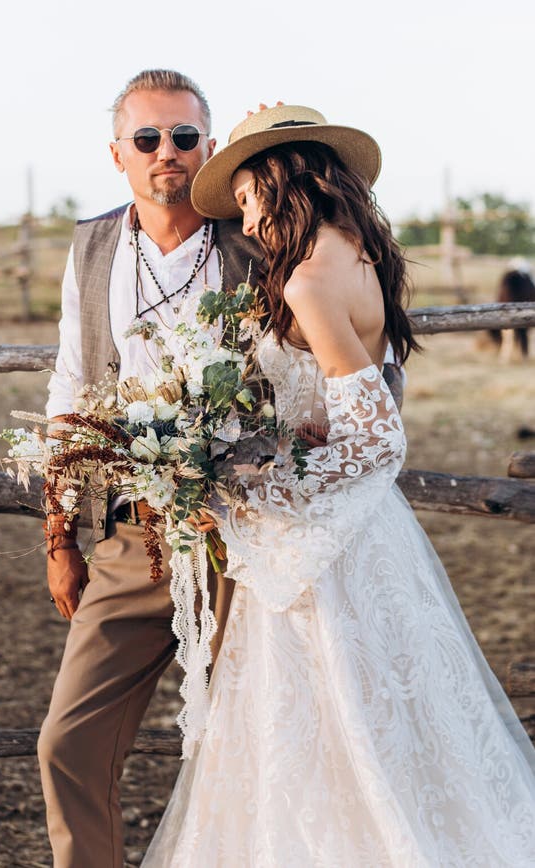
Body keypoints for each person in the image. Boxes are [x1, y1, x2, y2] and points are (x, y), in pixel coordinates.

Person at [141, 105, 535, 866]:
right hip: (360, 528)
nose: (247, 223)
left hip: (324, 547)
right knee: (375, 723)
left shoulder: (309, 283)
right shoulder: (353, 252)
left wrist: (260, 485)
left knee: (330, 722)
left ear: (276, 181)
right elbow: (350, 400)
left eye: (248, 199)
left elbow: (377, 435)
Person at [36, 69, 264, 868]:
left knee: (254, 740)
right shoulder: (92, 244)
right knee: (68, 740)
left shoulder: (255, 239)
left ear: (209, 147)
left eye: (184, 137)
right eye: (147, 139)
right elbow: (70, 387)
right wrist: (59, 535)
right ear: (118, 154)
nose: (166, 153)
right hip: (131, 538)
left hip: (245, 535)